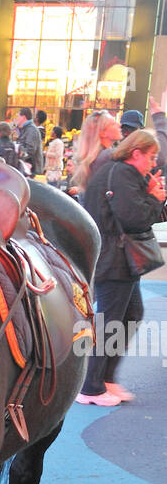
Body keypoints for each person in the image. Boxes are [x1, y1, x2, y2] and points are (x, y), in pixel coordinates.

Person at [77, 129, 166, 406]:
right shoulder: (123, 173)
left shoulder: (121, 173)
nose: (153, 163)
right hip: (114, 259)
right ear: (136, 153)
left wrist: (155, 197)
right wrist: (155, 198)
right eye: (151, 157)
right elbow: (135, 218)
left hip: (116, 258)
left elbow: (145, 214)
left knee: (127, 315)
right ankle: (91, 387)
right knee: (112, 321)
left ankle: (104, 379)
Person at [67, 110, 120, 196]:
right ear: (103, 132)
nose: (119, 125)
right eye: (113, 124)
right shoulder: (107, 156)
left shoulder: (95, 158)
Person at [14, 106, 44, 177]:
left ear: (23, 117)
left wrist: (17, 149)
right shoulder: (25, 129)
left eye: (18, 116)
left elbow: (30, 150)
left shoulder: (31, 130)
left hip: (32, 171)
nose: (16, 118)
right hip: (27, 169)